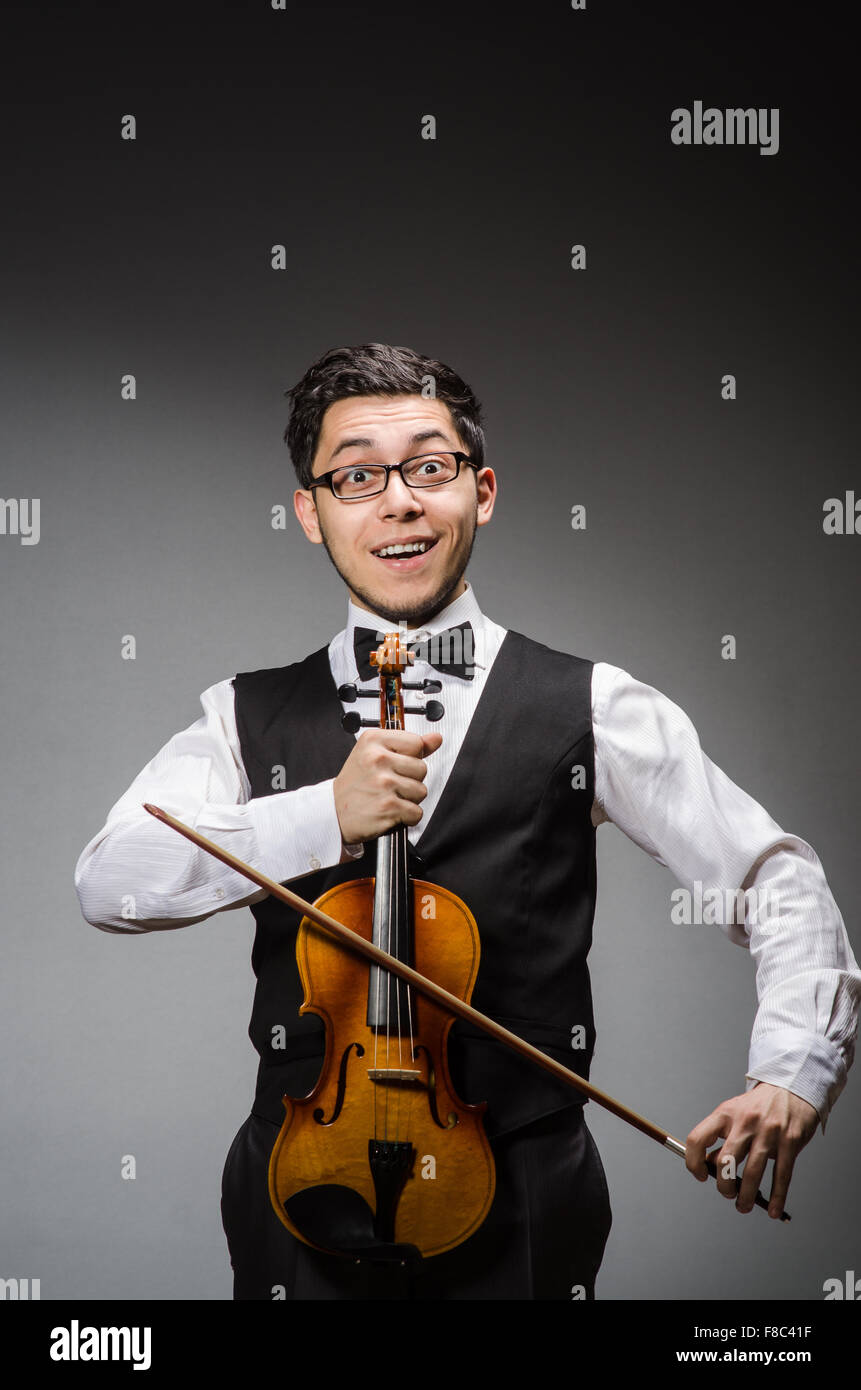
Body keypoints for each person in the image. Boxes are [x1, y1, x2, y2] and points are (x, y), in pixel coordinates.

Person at [75, 342, 860, 1301]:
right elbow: (110, 882)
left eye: (429, 467)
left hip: (525, 1193)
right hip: (298, 1185)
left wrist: (793, 1072)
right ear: (310, 515)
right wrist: (322, 814)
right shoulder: (240, 714)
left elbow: (775, 879)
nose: (397, 501)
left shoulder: (594, 703)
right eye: (355, 476)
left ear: (480, 492)